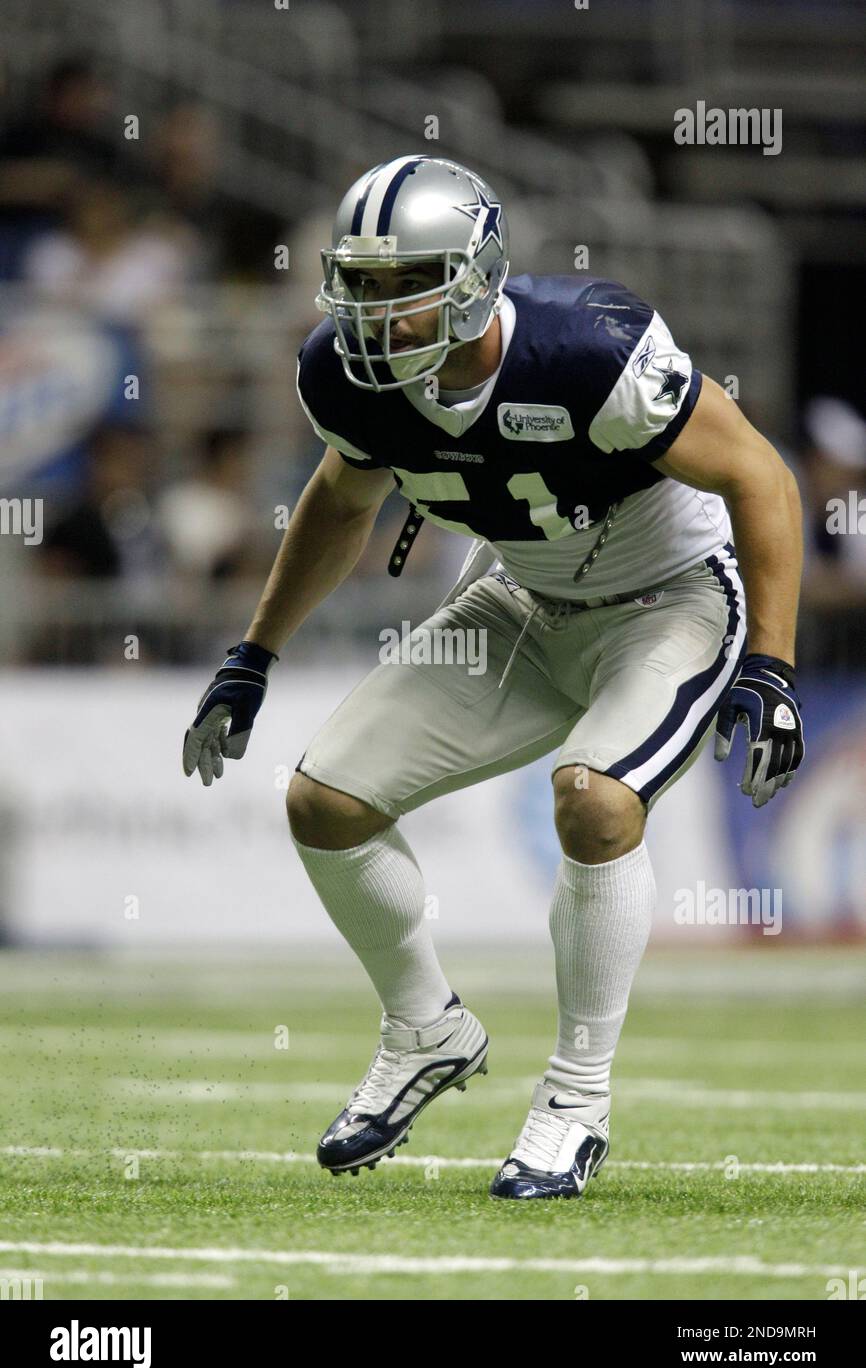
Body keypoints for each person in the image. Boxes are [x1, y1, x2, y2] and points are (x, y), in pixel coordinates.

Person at [183, 156, 805, 1200]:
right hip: (515, 604)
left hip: (668, 601)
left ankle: (574, 1096)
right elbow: (340, 504)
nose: (375, 310)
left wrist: (775, 664)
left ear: (472, 273)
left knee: (594, 804)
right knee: (324, 801)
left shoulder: (585, 349)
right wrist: (254, 654)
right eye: (362, 281)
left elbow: (757, 473)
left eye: (402, 280)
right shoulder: (345, 375)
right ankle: (425, 1028)